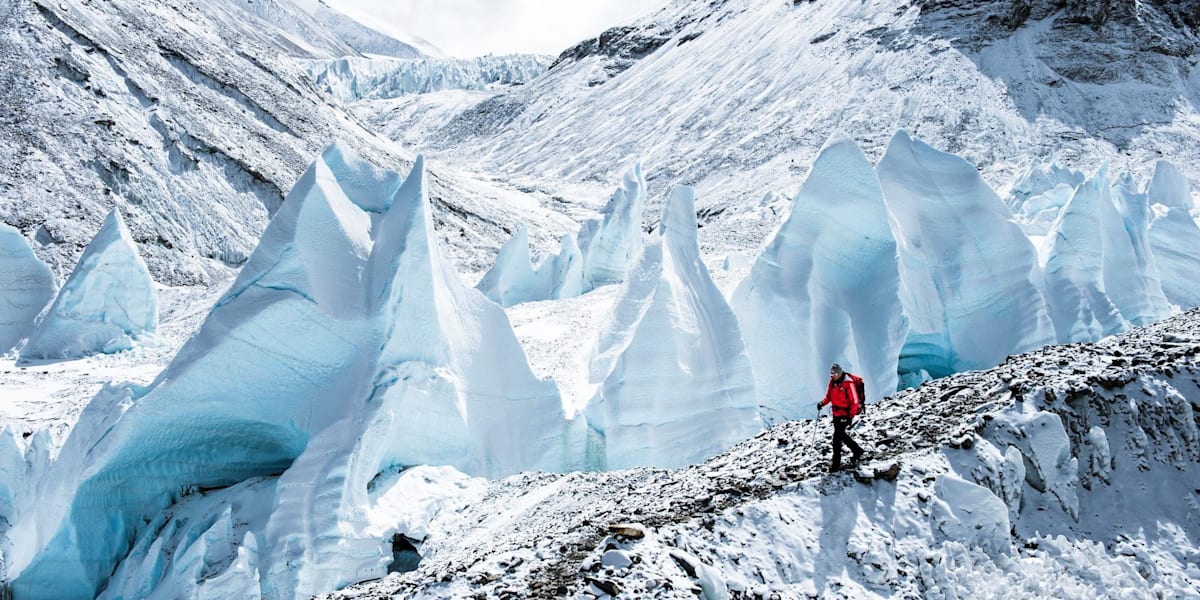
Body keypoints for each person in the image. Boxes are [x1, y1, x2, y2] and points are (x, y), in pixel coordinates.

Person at [817, 363, 864, 472]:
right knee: (841, 435)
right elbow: (829, 396)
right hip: (836, 414)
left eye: (833, 374)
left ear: (839, 373)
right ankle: (857, 450)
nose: (832, 376)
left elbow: (855, 401)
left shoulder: (848, 383)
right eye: (831, 374)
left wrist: (850, 416)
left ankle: (836, 464)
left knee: (837, 439)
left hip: (845, 414)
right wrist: (822, 403)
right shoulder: (833, 382)